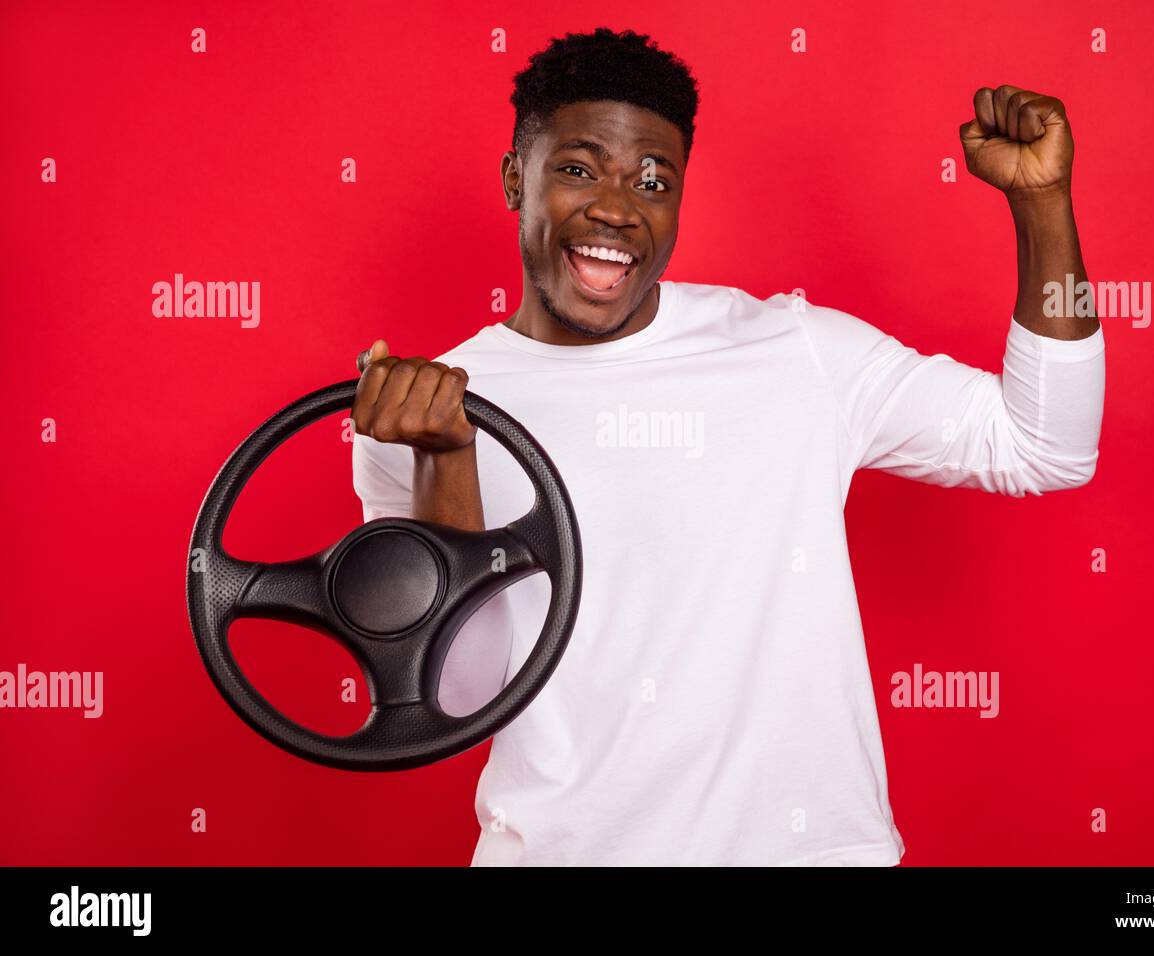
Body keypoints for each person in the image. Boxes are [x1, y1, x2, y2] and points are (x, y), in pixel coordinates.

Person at [350, 27, 1105, 866]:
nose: (616, 206)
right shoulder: (424, 411)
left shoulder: (793, 350)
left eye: (652, 179)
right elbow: (460, 697)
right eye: (576, 168)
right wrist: (444, 460)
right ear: (513, 179)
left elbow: (1045, 444)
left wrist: (1044, 205)